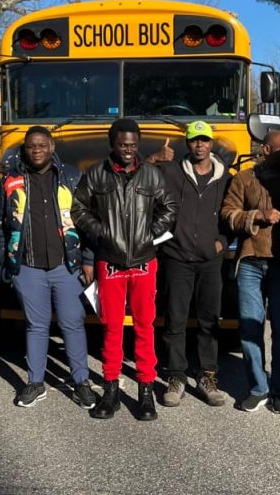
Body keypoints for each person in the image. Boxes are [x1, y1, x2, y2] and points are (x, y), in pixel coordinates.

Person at [71, 118, 178, 421]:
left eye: (133, 144)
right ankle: (111, 391)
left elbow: (169, 208)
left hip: (144, 261)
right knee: (112, 327)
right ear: (112, 145)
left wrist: (149, 234)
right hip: (110, 262)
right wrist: (101, 233)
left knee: (145, 326)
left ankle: (145, 392)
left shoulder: (151, 175)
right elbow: (79, 208)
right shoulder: (95, 174)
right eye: (122, 144)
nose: (128, 150)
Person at [0, 127, 98, 410]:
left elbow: (87, 222)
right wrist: (6, 258)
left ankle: (81, 382)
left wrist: (87, 260)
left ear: (51, 146)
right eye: (31, 146)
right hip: (28, 267)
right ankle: (35, 382)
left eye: (41, 145)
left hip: (67, 266)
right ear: (25, 149)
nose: (36, 150)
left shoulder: (71, 177)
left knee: (72, 324)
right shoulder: (11, 180)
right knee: (36, 326)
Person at [221, 129, 280, 414]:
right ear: (266, 149)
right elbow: (227, 214)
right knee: (250, 327)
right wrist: (257, 216)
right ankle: (258, 388)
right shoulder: (244, 179)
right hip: (251, 262)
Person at [154, 120, 231, 408]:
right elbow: (139, 179)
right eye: (194, 140)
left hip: (211, 261)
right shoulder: (171, 171)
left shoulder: (226, 177)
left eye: (204, 140)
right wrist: (153, 158)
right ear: (187, 144)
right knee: (175, 321)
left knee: (210, 321)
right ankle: (176, 376)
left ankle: (207, 376)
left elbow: (232, 210)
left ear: (211, 144)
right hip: (177, 259)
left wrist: (222, 241)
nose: (199, 145)